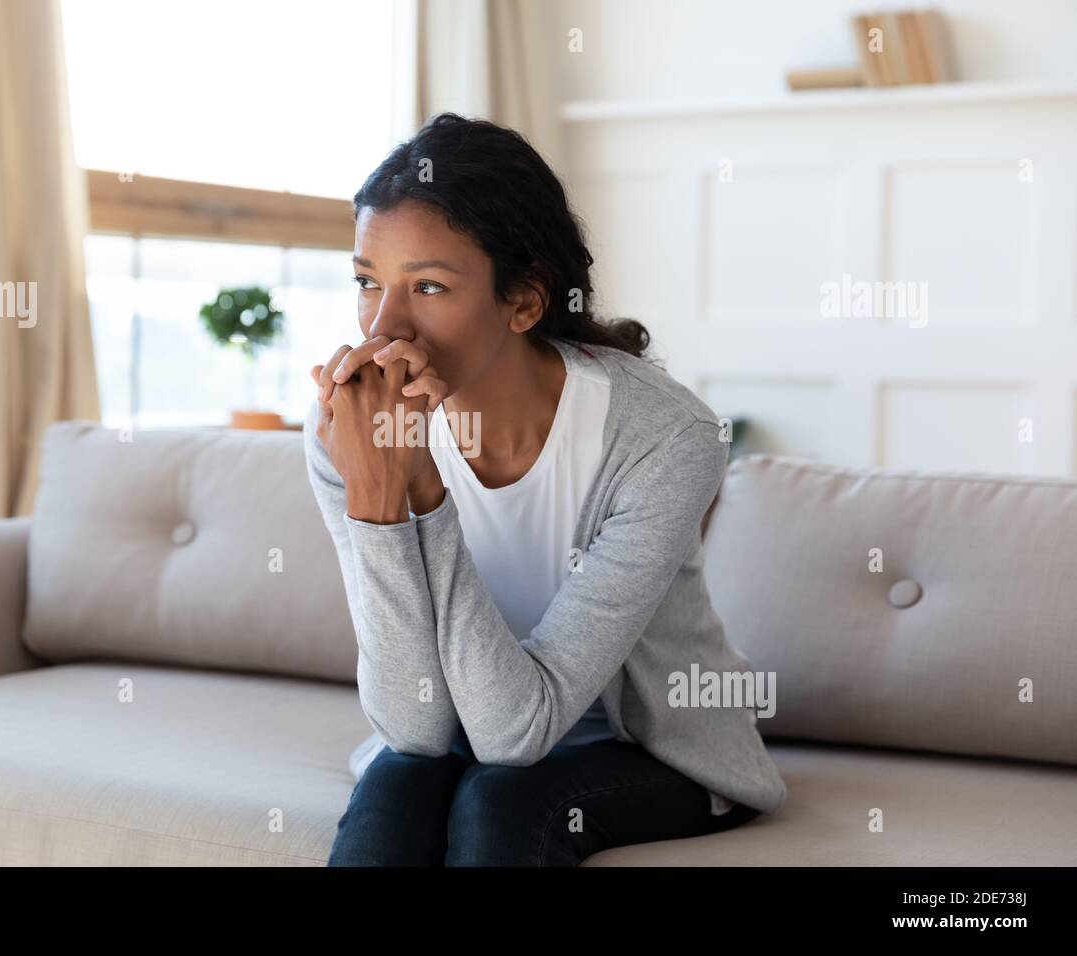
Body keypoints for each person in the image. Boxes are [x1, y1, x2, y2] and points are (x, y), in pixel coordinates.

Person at [303, 112, 787, 867]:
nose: (385, 326)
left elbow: (512, 738)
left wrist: (422, 490)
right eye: (368, 282)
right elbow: (414, 728)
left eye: (428, 285)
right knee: (397, 784)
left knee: (500, 796)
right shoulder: (348, 426)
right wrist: (375, 503)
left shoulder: (662, 439)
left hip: (651, 754)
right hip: (466, 737)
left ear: (523, 302)